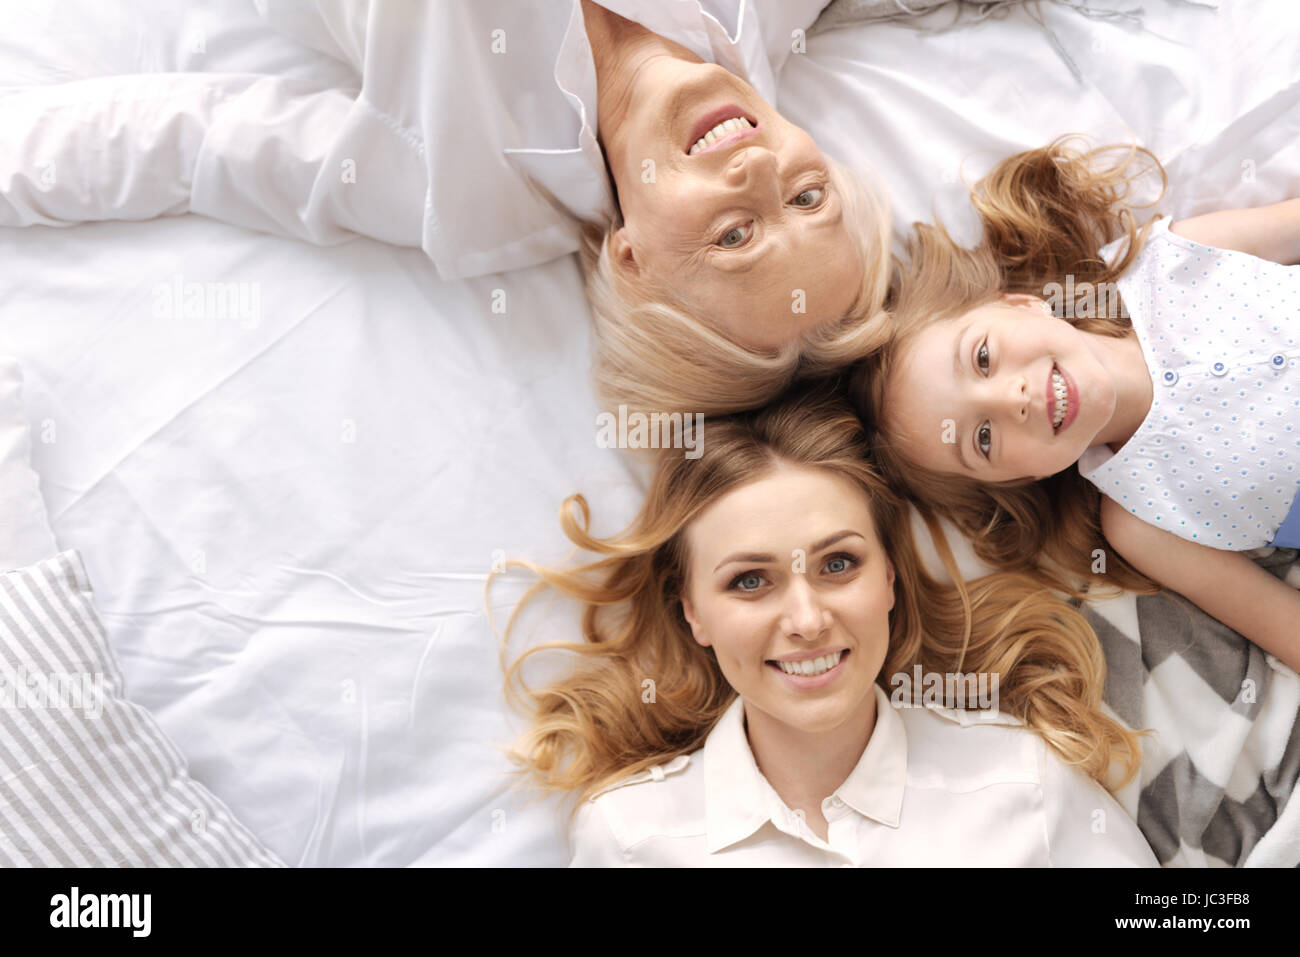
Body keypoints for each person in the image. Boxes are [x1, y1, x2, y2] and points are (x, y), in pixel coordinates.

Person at [0, 0, 892, 415]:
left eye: (737, 236)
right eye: (807, 196)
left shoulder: (469, 192)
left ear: (634, 261)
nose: (759, 173)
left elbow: (192, 141)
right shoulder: (768, 19)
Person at [498, 383, 1156, 866]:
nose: (808, 620)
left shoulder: (1022, 781)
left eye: (838, 563)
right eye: (750, 581)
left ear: (890, 576)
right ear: (692, 610)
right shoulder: (626, 837)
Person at [849, 136, 1300, 674]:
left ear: (1021, 305)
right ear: (1014, 481)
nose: (1009, 399)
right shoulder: (1142, 523)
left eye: (984, 357)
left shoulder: (1172, 260)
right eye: (983, 438)